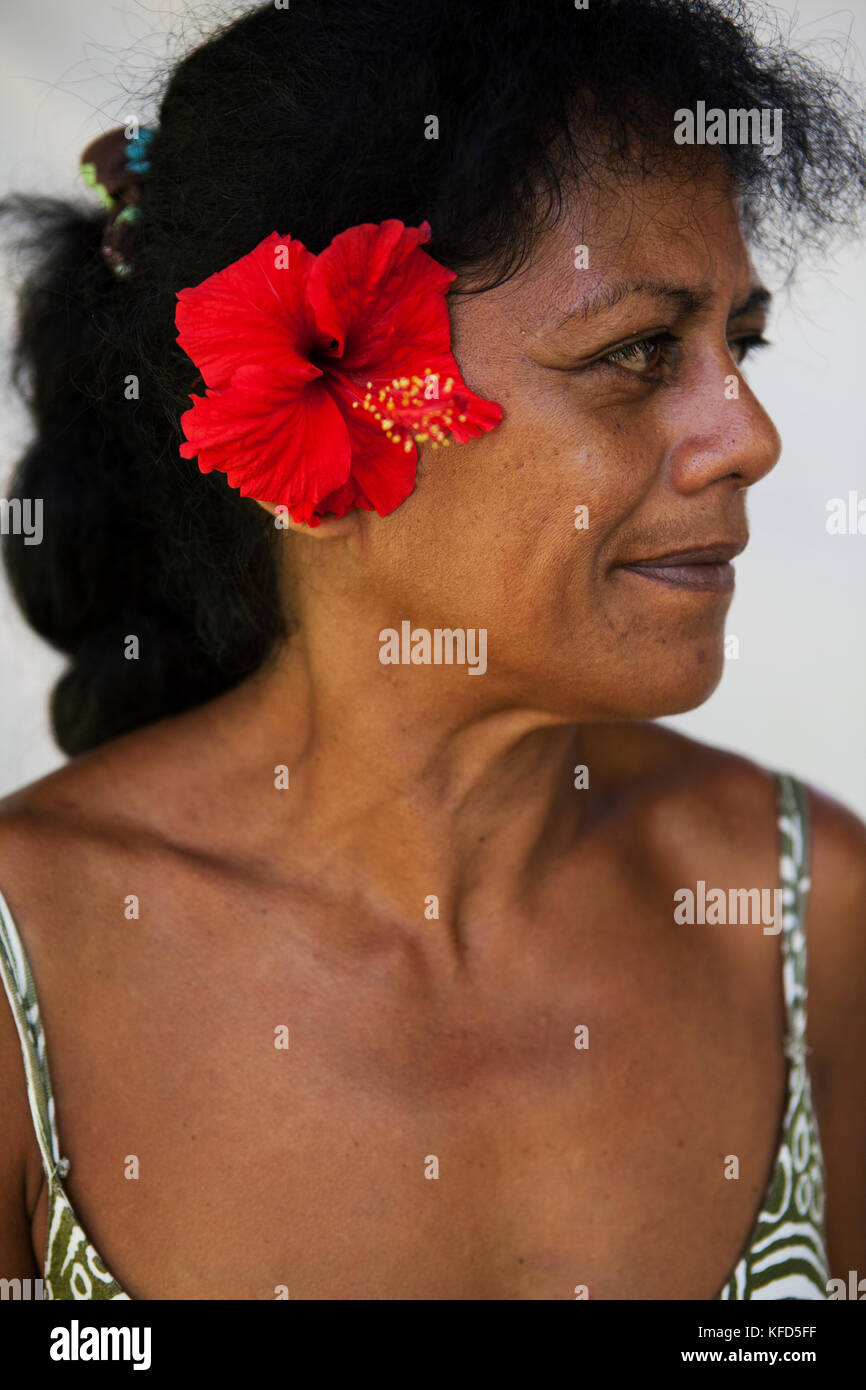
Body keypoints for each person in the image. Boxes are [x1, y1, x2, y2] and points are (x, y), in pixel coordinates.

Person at [0, 0, 864, 1302]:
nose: (746, 436)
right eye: (637, 350)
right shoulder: (26, 970)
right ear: (297, 399)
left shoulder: (804, 918)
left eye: (734, 345)